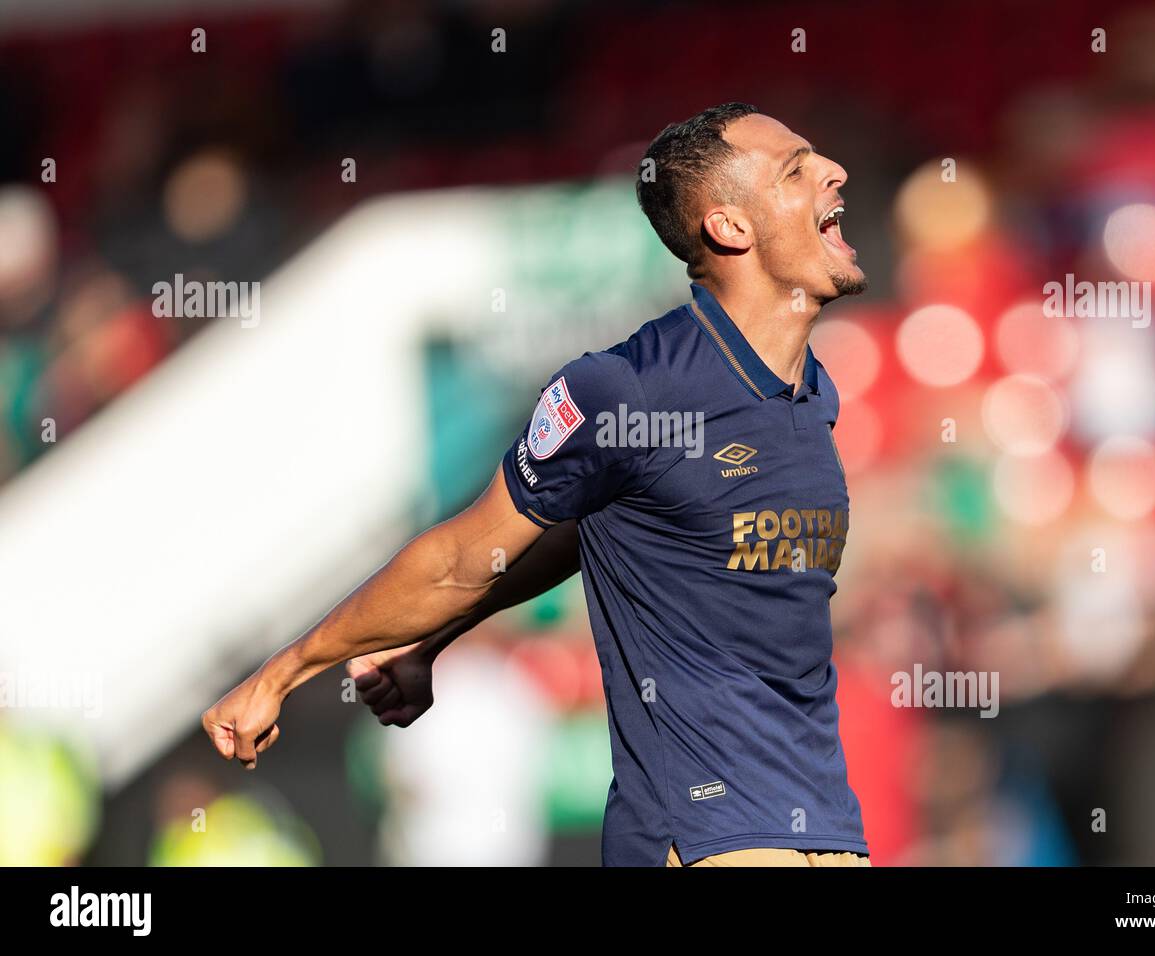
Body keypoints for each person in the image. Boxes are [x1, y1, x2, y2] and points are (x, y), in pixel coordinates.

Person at [203, 102, 872, 867]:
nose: (833, 172)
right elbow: (462, 557)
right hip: (707, 836)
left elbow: (596, 531)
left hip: (825, 827)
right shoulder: (627, 390)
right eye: (795, 169)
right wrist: (287, 670)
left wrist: (433, 641)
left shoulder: (812, 393)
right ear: (729, 228)